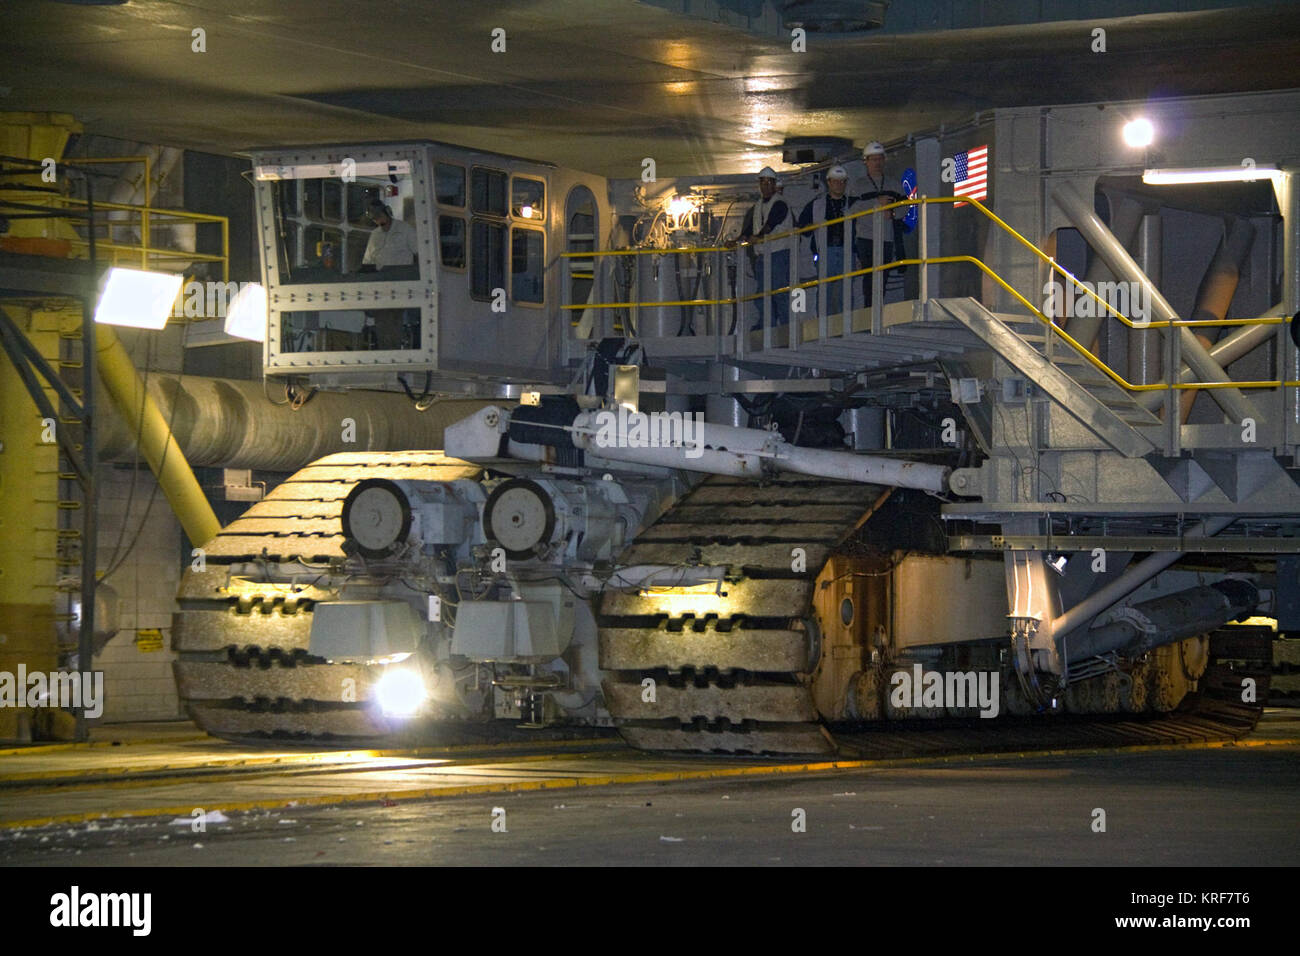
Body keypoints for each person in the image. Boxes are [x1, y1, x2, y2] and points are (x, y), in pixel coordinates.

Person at [797, 165, 858, 316]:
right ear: (829, 183)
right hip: (825, 252)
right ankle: (824, 325)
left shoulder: (853, 203)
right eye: (836, 181)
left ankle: (845, 326)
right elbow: (802, 227)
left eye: (842, 181)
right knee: (825, 292)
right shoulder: (816, 204)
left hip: (847, 251)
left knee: (846, 291)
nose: (839, 184)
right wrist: (813, 227)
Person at [737, 166, 792, 328]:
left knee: (779, 292)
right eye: (763, 182)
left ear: (774, 185)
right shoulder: (758, 205)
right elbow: (752, 228)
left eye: (769, 183)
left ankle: (785, 327)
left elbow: (771, 224)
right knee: (763, 293)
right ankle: (767, 325)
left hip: (778, 254)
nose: (766, 186)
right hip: (763, 255)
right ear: (760, 185)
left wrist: (758, 237)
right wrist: (738, 240)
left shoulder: (780, 203)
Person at [854, 141, 908, 307]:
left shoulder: (893, 185)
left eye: (880, 159)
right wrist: (876, 204)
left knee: (882, 278)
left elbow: (904, 207)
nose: (877, 163)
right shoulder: (858, 186)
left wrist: (891, 212)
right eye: (873, 160)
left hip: (886, 238)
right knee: (869, 279)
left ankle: (876, 313)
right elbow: (851, 209)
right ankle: (869, 314)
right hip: (866, 238)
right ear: (866, 162)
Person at [361, 199, 419, 270]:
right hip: (380, 278)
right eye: (374, 218)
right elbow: (367, 261)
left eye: (379, 215)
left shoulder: (405, 228)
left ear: (387, 212)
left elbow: (419, 252)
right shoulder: (374, 234)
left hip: (402, 277)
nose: (378, 220)